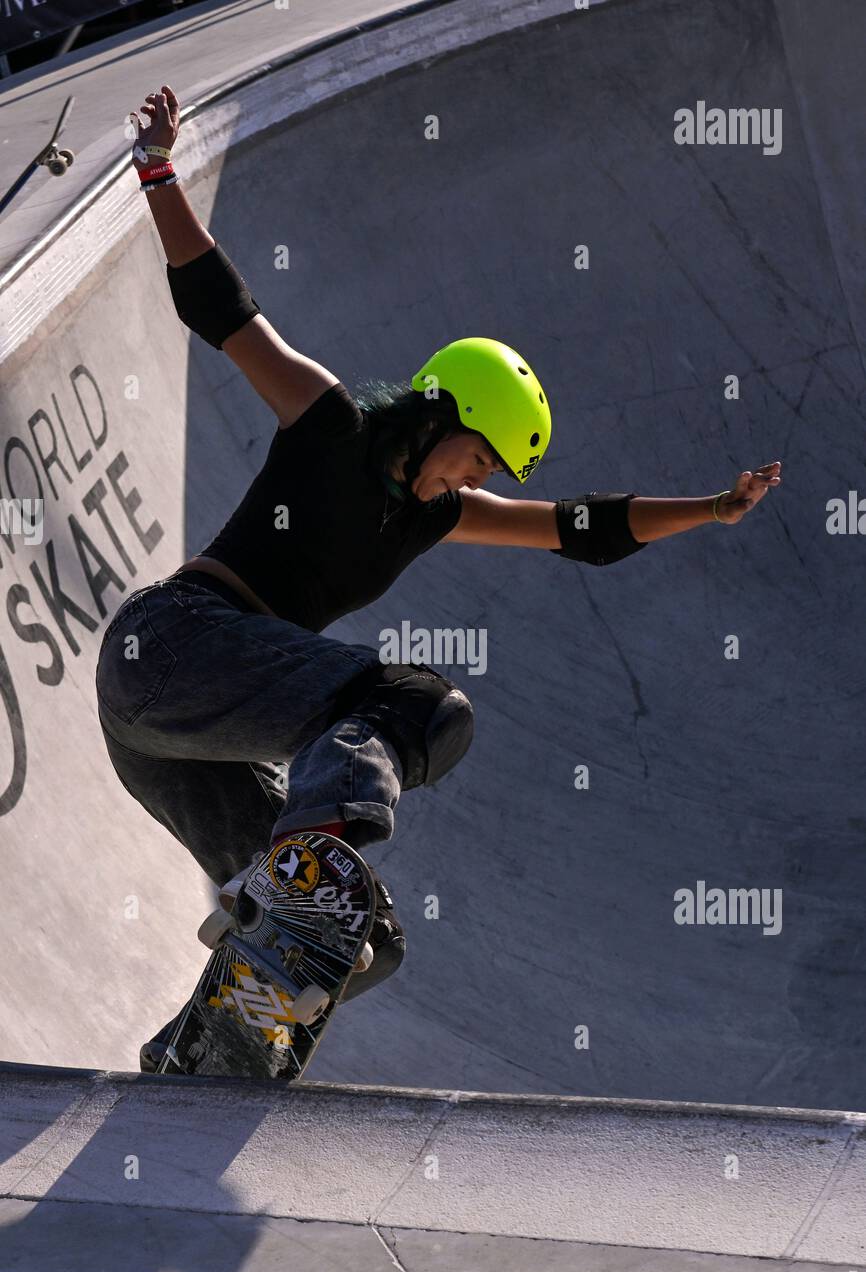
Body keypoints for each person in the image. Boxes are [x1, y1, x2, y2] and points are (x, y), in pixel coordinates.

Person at [96, 87, 782, 1069]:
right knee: (421, 706)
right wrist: (158, 172)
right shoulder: (327, 422)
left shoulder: (440, 513)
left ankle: (197, 1050)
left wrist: (708, 508)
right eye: (472, 456)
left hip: (176, 746)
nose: (470, 482)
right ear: (437, 412)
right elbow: (226, 312)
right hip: (167, 648)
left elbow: (577, 528)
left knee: (355, 939)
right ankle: (303, 873)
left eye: (485, 476)